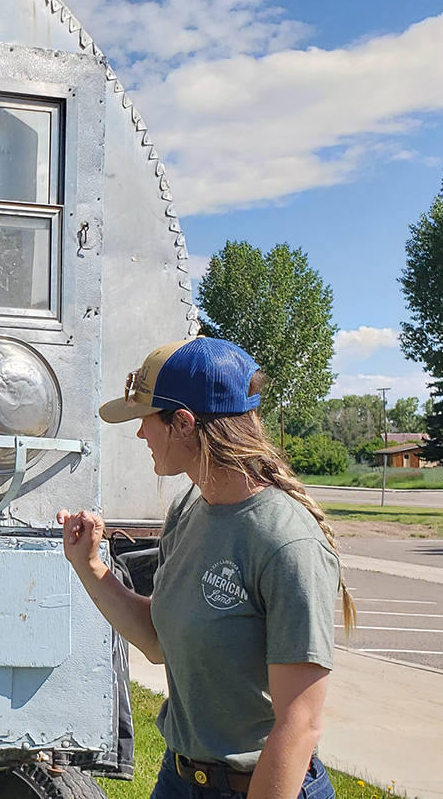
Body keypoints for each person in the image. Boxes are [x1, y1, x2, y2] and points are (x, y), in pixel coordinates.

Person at [57, 337, 353, 799]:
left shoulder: (285, 542)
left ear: (183, 424)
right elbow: (159, 641)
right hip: (181, 780)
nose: (139, 435)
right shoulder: (190, 509)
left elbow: (300, 725)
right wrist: (90, 565)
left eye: (145, 420)